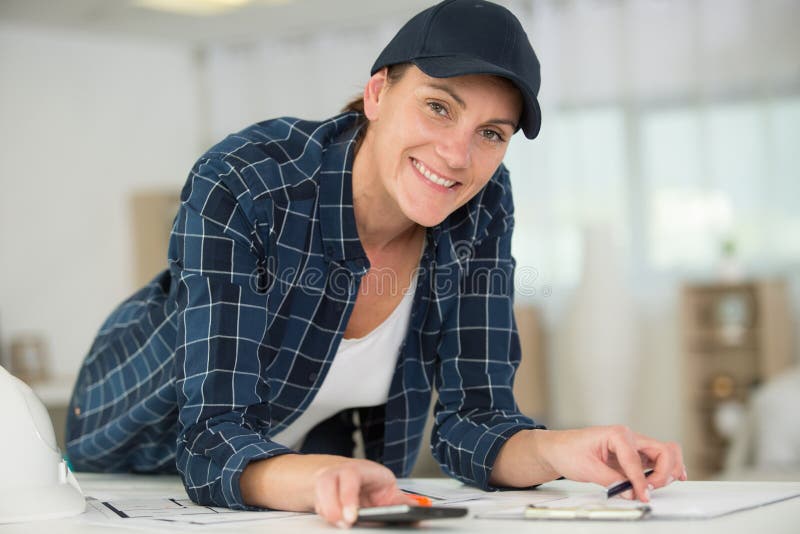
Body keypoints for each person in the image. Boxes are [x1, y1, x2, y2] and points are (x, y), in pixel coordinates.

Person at [66, 0, 686, 528]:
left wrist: (561, 449)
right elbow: (209, 439)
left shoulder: (483, 205)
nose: (456, 154)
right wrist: (316, 479)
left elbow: (474, 422)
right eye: (439, 107)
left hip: (292, 462)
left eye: (491, 133)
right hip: (133, 457)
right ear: (378, 93)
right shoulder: (249, 181)